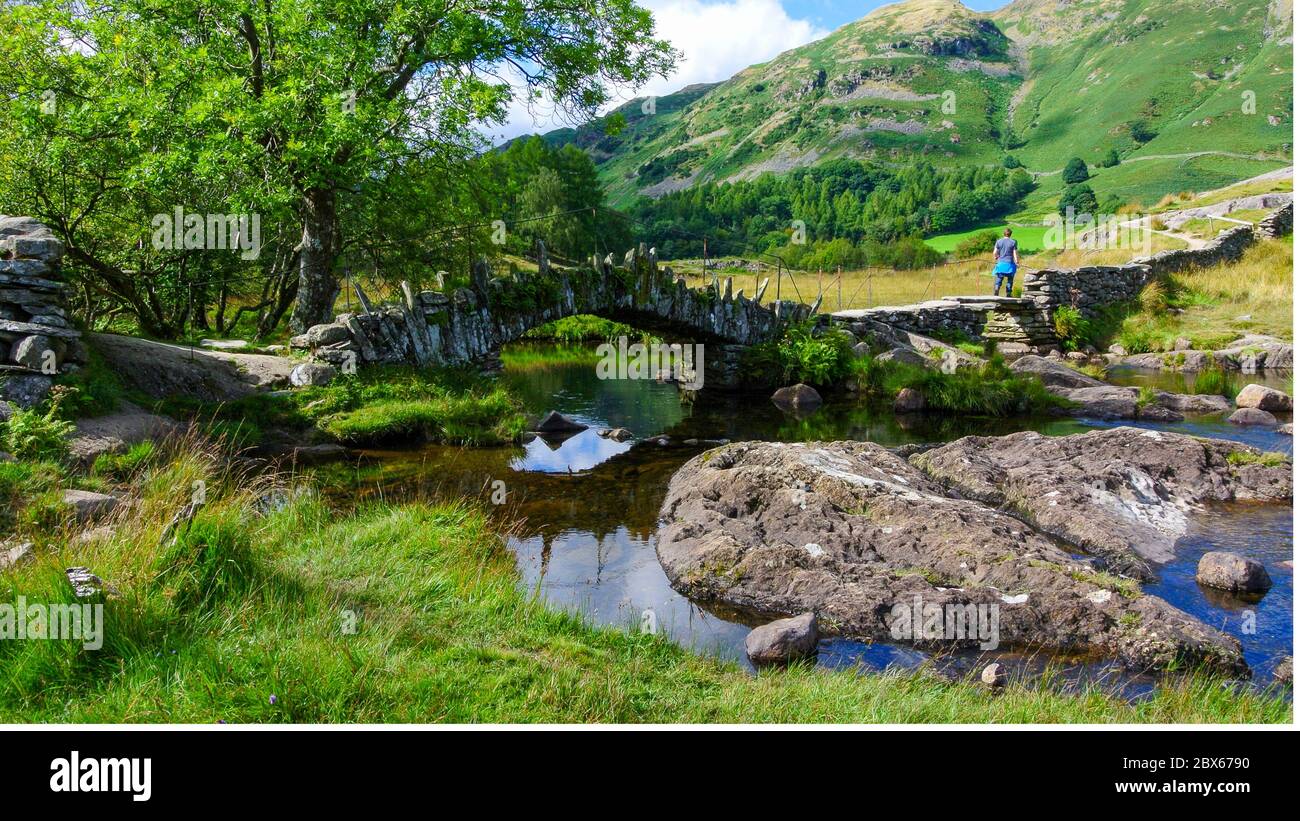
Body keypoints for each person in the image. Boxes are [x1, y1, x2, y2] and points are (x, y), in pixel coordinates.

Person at [992, 227, 1018, 296]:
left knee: (999, 277)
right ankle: (1008, 293)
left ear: (1003, 234)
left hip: (1001, 263)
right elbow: (1014, 253)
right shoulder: (1013, 242)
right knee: (1010, 278)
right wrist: (1017, 261)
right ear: (1010, 234)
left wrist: (996, 257)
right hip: (1009, 264)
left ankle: (997, 288)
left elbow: (994, 252)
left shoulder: (999, 241)